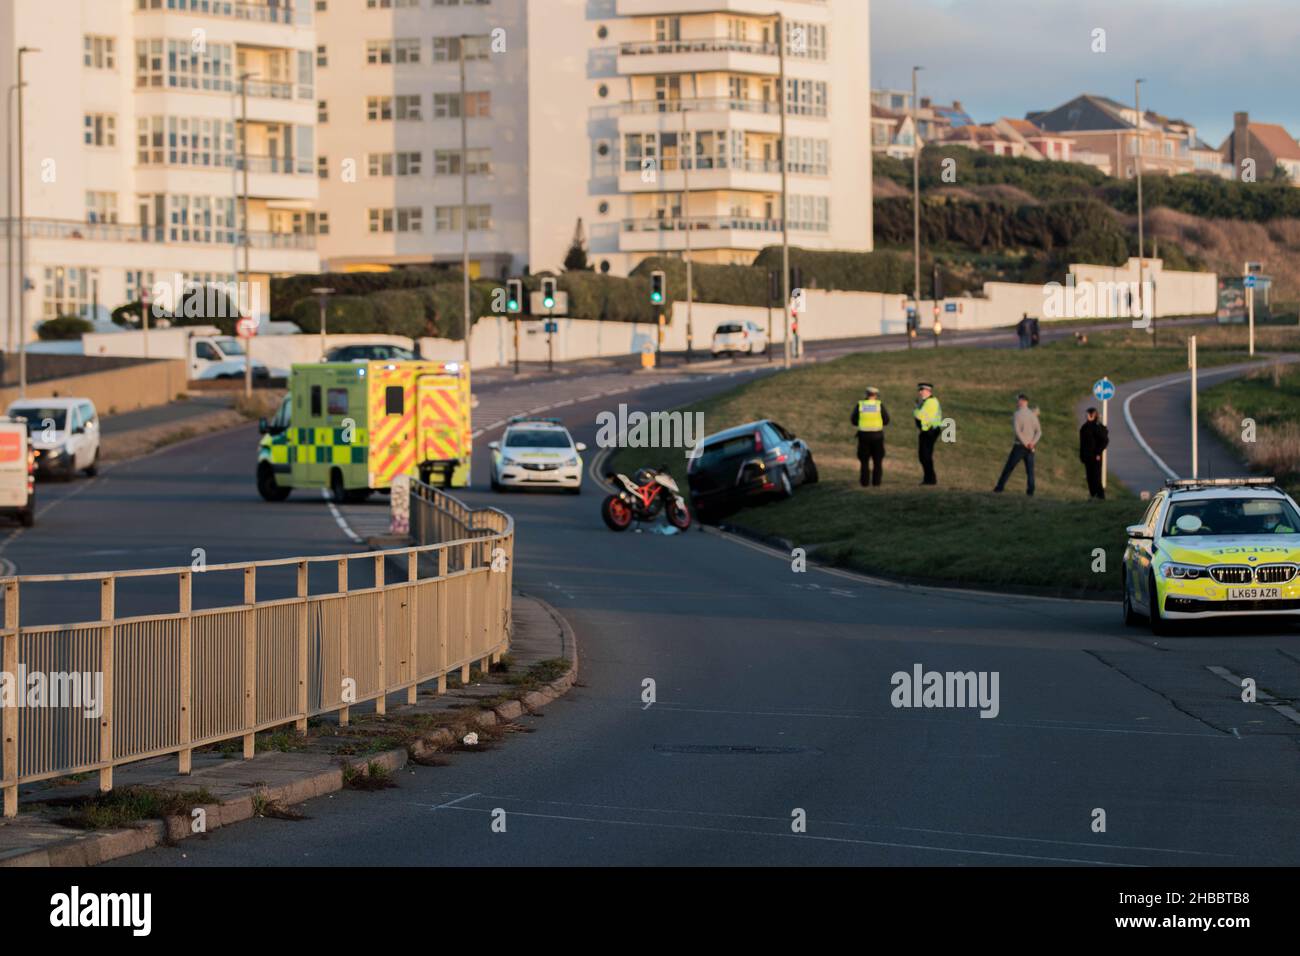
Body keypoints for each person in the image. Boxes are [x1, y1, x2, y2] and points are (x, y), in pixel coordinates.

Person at [993, 393, 1041, 496]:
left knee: (1009, 468)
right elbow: (1039, 432)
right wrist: (1032, 443)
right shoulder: (1033, 414)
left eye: (1018, 400)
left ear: (1023, 401)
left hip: (1019, 446)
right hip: (1031, 448)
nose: (1016, 402)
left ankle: (999, 488)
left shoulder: (1017, 414)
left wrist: (1026, 444)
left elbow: (1017, 432)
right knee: (1030, 471)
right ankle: (1030, 492)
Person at [850, 386, 890, 486]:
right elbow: (886, 420)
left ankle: (864, 483)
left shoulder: (861, 405)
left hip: (864, 436)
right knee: (877, 461)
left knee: (864, 461)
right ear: (876, 395)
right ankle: (877, 483)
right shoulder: (879, 405)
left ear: (866, 394)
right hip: (877, 436)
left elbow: (853, 420)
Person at [913, 382, 942, 485]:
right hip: (928, 430)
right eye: (919, 390)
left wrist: (916, 409)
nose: (920, 392)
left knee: (925, 456)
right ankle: (929, 478)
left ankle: (930, 479)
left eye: (922, 390)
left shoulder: (931, 402)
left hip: (930, 431)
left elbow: (920, 416)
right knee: (924, 456)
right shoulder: (927, 402)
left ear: (928, 391)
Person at [1078, 406, 1109, 500]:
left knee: (1096, 477)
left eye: (1088, 414)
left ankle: (1100, 496)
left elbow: (1104, 440)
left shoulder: (1097, 427)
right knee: (1089, 477)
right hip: (1087, 456)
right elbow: (1082, 443)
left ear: (1093, 415)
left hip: (1095, 457)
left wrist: (1098, 453)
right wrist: (1082, 455)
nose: (1086, 416)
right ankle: (1093, 495)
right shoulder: (1085, 427)